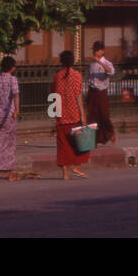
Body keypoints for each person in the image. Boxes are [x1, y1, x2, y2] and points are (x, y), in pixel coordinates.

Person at [51, 50, 89, 179]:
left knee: (63, 145)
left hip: (61, 115)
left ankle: (65, 173)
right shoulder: (77, 76)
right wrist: (83, 115)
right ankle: (76, 167)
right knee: (77, 143)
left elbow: (53, 95)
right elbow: (79, 96)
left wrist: (54, 114)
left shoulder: (57, 76)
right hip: (74, 115)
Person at [86, 41, 117, 146]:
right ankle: (94, 140)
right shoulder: (91, 63)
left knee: (104, 115)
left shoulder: (106, 62)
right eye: (94, 50)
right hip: (93, 91)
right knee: (92, 116)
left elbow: (111, 71)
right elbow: (90, 77)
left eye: (97, 51)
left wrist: (100, 62)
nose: (95, 53)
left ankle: (110, 133)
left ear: (102, 51)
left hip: (102, 91)